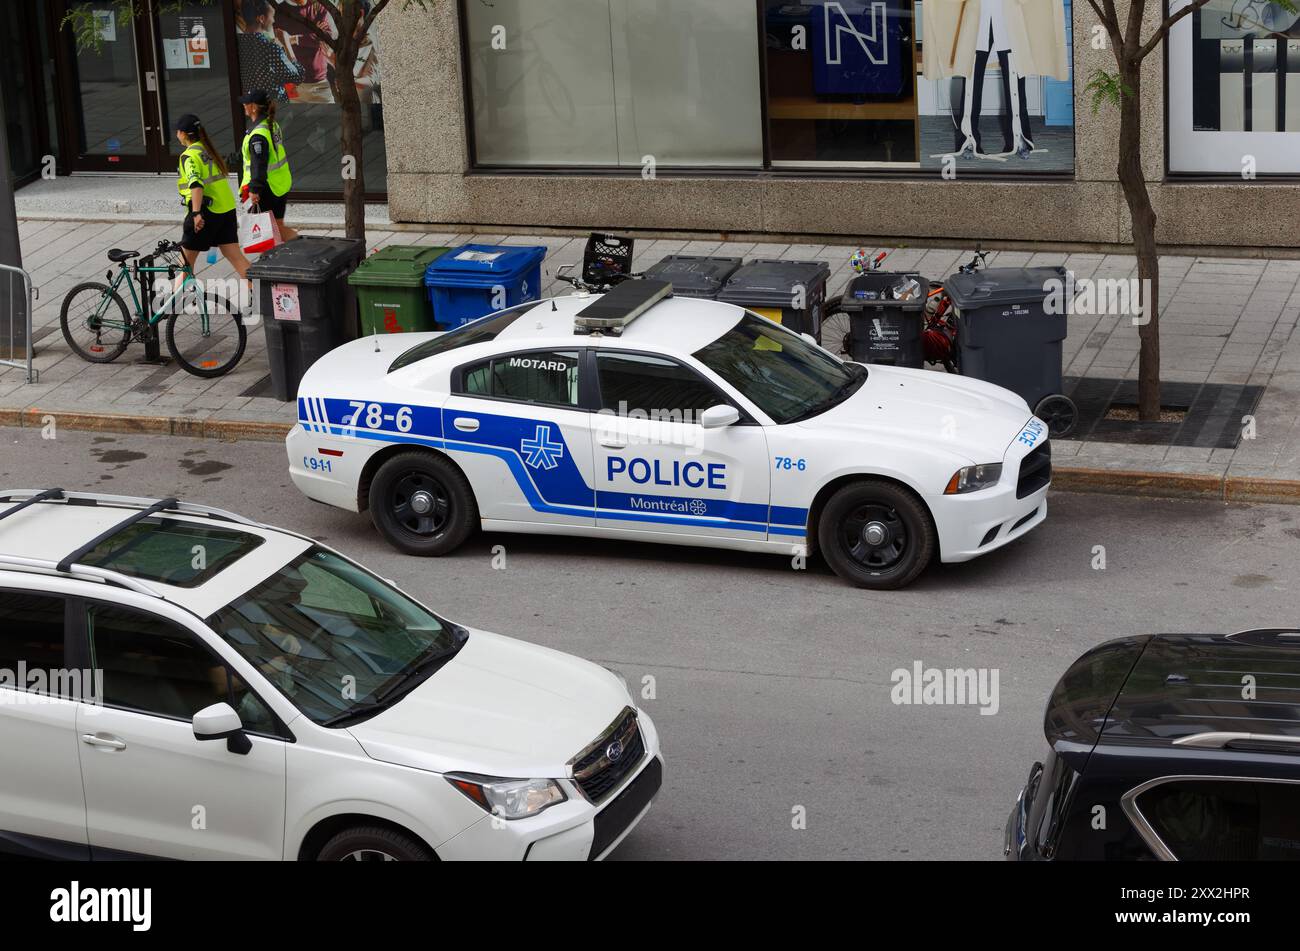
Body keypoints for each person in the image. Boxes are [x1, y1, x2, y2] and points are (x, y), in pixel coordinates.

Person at [175, 114, 249, 281]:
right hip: (226, 209)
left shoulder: (189, 156)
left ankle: (173, 305)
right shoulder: (208, 150)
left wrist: (195, 213)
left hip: (206, 212)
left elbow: (196, 185)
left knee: (185, 265)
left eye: (177, 131)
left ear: (183, 134)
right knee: (236, 257)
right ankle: (261, 296)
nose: (176, 135)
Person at [240, 89, 298, 241]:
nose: (244, 105)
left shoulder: (258, 135)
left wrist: (254, 189)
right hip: (279, 183)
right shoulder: (271, 124)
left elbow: (259, 164)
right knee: (276, 227)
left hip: (266, 188)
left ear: (253, 107)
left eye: (246, 103)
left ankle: (302, 247)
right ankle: (284, 254)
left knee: (268, 231)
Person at [237, 0, 303, 102]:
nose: (273, 20)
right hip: (274, 108)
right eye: (272, 16)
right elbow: (298, 77)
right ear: (262, 19)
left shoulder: (237, 43)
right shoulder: (270, 48)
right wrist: (287, 45)